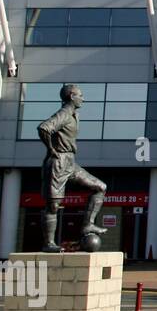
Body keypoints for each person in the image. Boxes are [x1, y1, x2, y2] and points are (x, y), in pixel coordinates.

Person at [38, 83, 108, 253]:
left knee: (100, 187)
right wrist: (52, 149)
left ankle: (87, 224)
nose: (82, 98)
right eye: (80, 95)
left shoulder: (74, 114)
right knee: (53, 205)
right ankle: (49, 244)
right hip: (59, 161)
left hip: (70, 161)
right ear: (71, 96)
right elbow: (44, 128)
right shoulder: (64, 113)